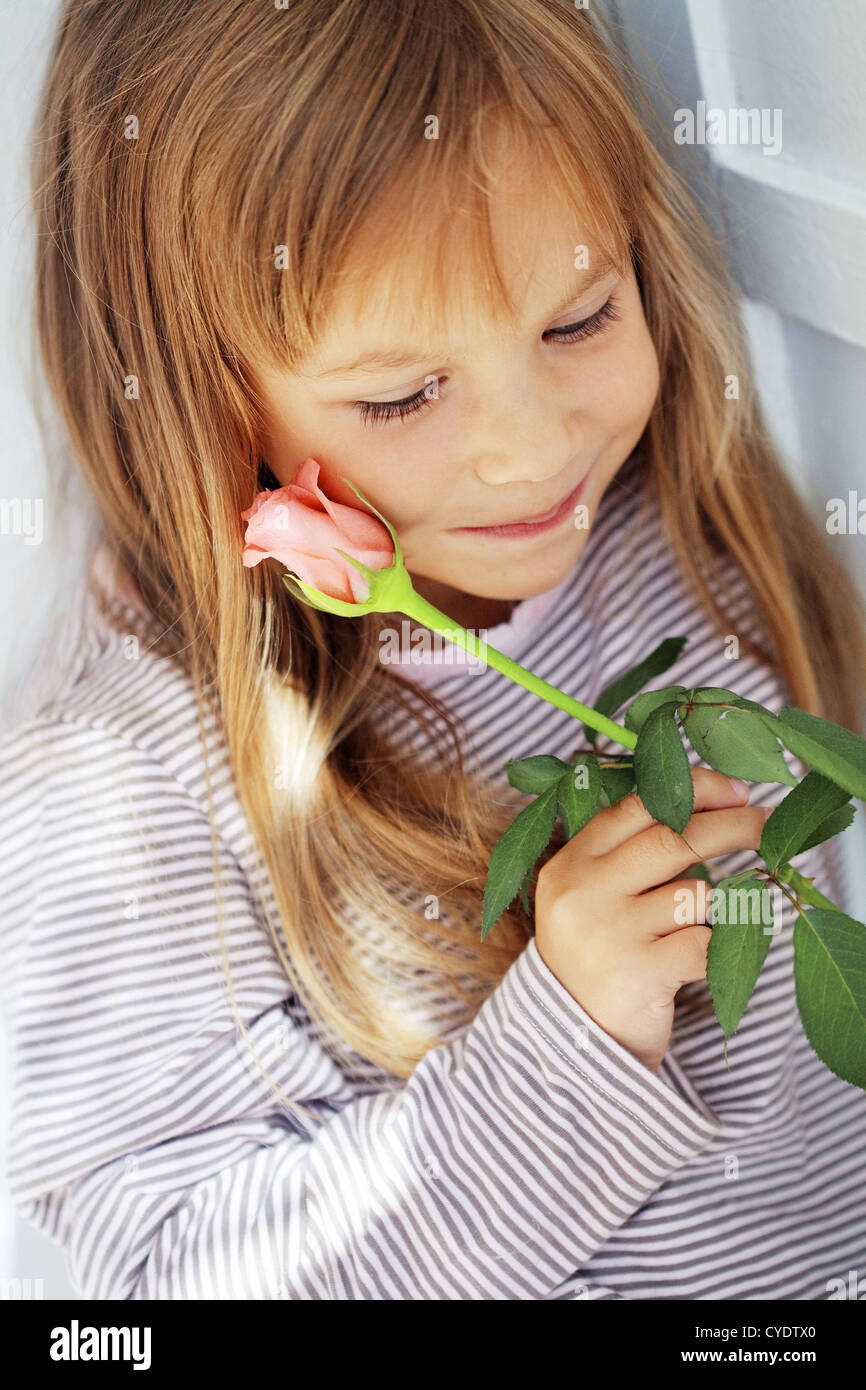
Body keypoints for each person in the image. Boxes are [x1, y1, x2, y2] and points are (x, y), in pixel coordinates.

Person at [1, 0, 864, 1300]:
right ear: (191, 387)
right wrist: (566, 1048)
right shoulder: (111, 793)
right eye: (401, 394)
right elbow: (186, 1277)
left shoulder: (679, 532)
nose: (534, 448)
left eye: (577, 320)